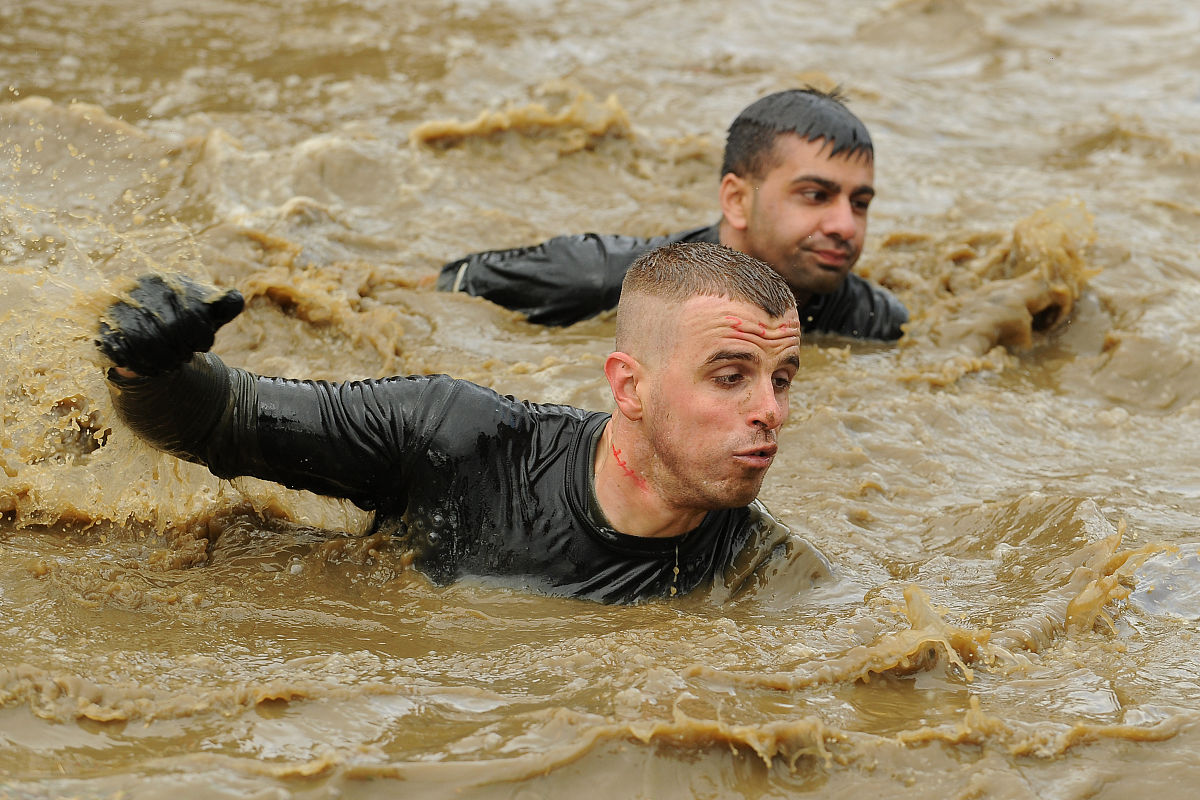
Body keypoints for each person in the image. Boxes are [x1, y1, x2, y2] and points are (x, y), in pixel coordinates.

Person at [97, 242, 826, 604]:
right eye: (731, 377)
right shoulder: (454, 438)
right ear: (628, 388)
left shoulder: (761, 567)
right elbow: (223, 421)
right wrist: (147, 366)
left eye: (782, 379)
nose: (770, 410)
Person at [437, 87, 907, 340]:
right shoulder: (595, 278)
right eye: (815, 195)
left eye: (859, 203)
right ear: (736, 200)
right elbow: (441, 293)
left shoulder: (876, 321)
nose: (845, 225)